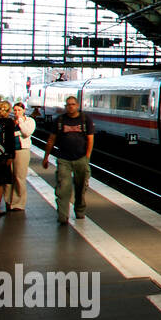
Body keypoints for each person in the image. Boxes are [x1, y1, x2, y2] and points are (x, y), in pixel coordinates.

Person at [41, 95, 95, 224]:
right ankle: (63, 216)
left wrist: (87, 157)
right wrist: (46, 157)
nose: (70, 107)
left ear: (77, 106)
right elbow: (51, 139)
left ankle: (80, 210)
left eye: (73, 104)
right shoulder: (59, 120)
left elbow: (90, 139)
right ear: (65, 107)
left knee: (81, 187)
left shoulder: (85, 119)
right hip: (63, 159)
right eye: (68, 105)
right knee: (63, 188)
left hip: (81, 158)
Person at [6, 102, 34, 212]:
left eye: (19, 110)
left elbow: (26, 133)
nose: (17, 112)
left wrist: (21, 121)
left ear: (24, 110)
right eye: (15, 110)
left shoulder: (30, 121)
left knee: (19, 177)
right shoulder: (10, 122)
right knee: (9, 177)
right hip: (10, 151)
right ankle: (8, 201)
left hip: (22, 151)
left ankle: (18, 203)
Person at [0, 102, 14, 215]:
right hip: (2, 156)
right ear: (8, 111)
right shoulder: (9, 123)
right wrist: (11, 156)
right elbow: (10, 141)